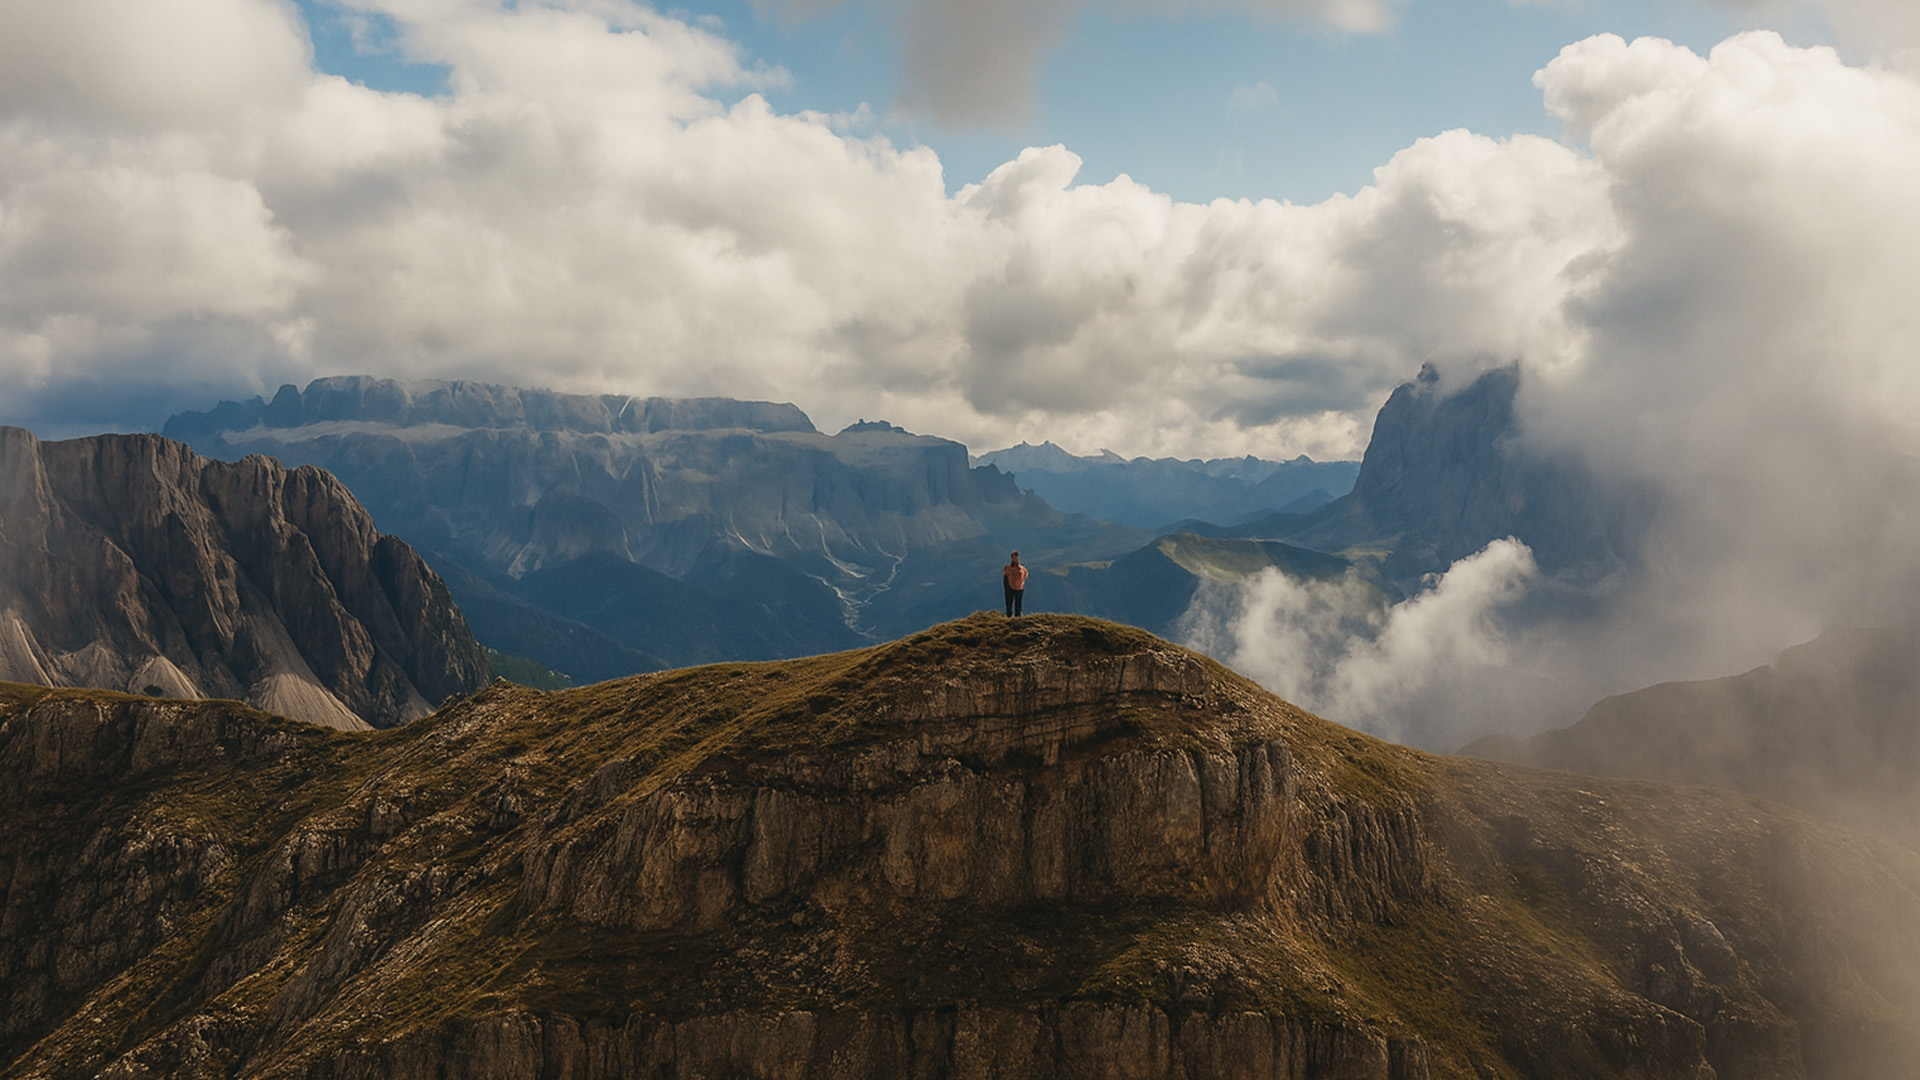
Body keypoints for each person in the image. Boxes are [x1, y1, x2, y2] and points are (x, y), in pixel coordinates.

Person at [1002, 550, 1028, 617]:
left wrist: (1021, 583)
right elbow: (1005, 578)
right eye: (1014, 557)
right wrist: (1006, 588)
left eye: (1016, 557)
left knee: (1018, 604)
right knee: (1009, 603)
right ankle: (1009, 616)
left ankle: (1018, 616)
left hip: (1019, 587)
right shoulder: (1008, 568)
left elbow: (1025, 575)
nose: (1015, 559)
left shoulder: (1022, 569)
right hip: (1010, 587)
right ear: (1012, 558)